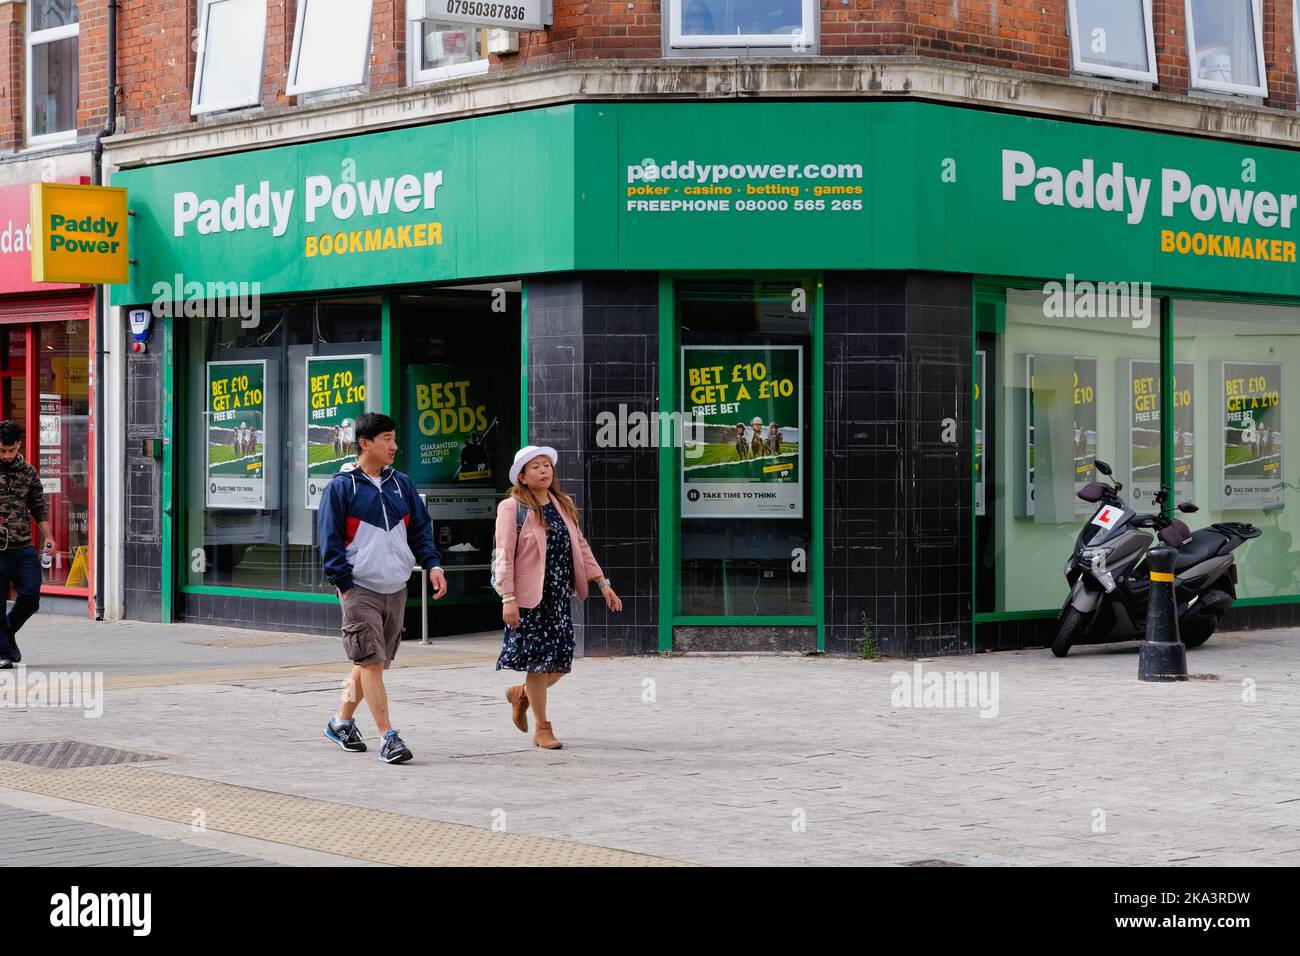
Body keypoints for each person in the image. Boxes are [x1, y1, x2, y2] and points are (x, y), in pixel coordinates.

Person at [318, 412, 448, 764]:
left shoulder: (401, 484)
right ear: (365, 443)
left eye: (394, 438)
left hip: (397, 588)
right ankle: (387, 737)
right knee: (372, 662)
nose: (394, 445)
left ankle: (339, 722)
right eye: (387, 439)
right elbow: (329, 541)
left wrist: (433, 564)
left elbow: (420, 530)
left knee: (368, 664)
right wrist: (344, 584)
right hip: (359, 587)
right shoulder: (342, 487)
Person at [493, 445, 622, 750]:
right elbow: (503, 555)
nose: (544, 470)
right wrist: (507, 597)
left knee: (560, 664)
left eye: (547, 465)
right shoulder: (512, 508)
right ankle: (543, 728)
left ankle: (522, 694)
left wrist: (603, 584)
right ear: (522, 476)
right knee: (539, 664)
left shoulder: (562, 505)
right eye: (535, 466)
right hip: (529, 600)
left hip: (558, 598)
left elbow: (582, 546)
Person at [0, 421, 55, 669]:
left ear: (19, 445)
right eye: (2, 450)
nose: (6, 455)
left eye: (10, 450)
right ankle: (3, 653)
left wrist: (49, 537)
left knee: (31, 595)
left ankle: (7, 634)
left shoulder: (29, 472)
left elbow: (38, 506)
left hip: (23, 545)